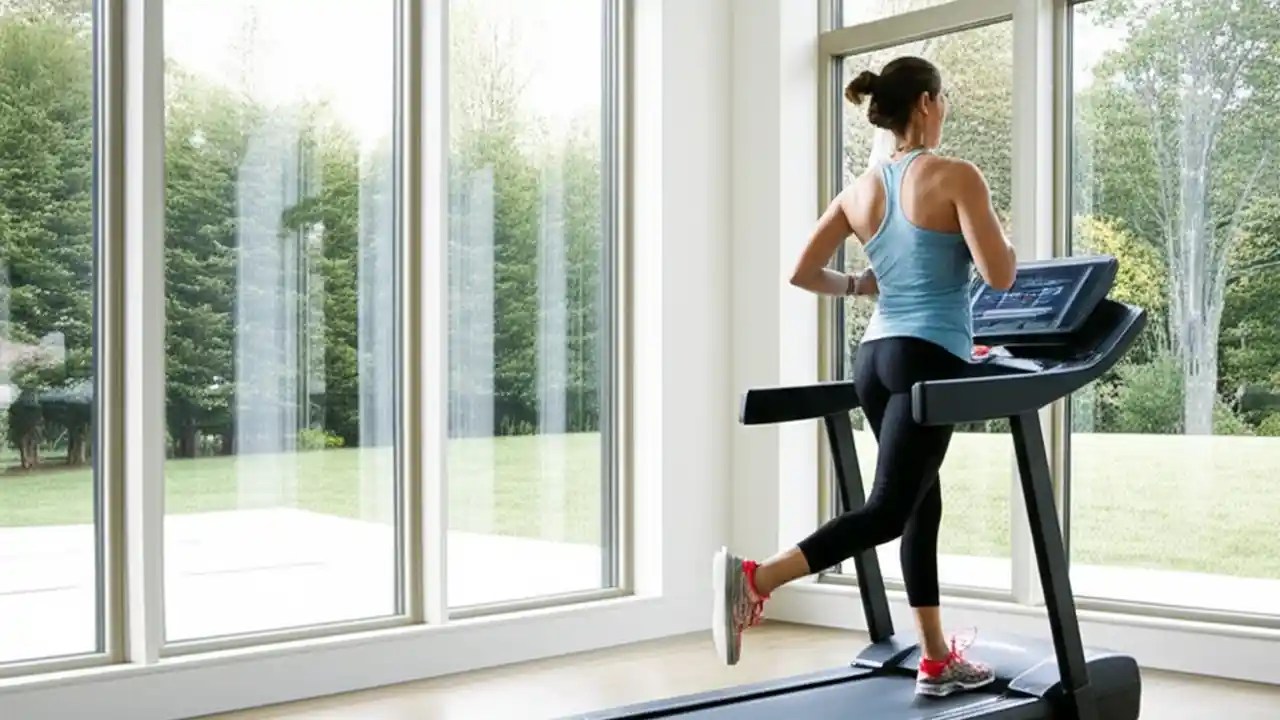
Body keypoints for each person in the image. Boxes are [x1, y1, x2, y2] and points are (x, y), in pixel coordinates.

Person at [711, 56, 1017, 699]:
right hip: (927, 357)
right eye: (947, 99)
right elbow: (999, 276)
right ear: (928, 103)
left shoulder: (859, 189)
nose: (947, 108)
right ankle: (756, 580)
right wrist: (1000, 241)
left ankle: (935, 659)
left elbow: (802, 272)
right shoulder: (958, 175)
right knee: (887, 511)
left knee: (919, 503)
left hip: (874, 357)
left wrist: (859, 284)